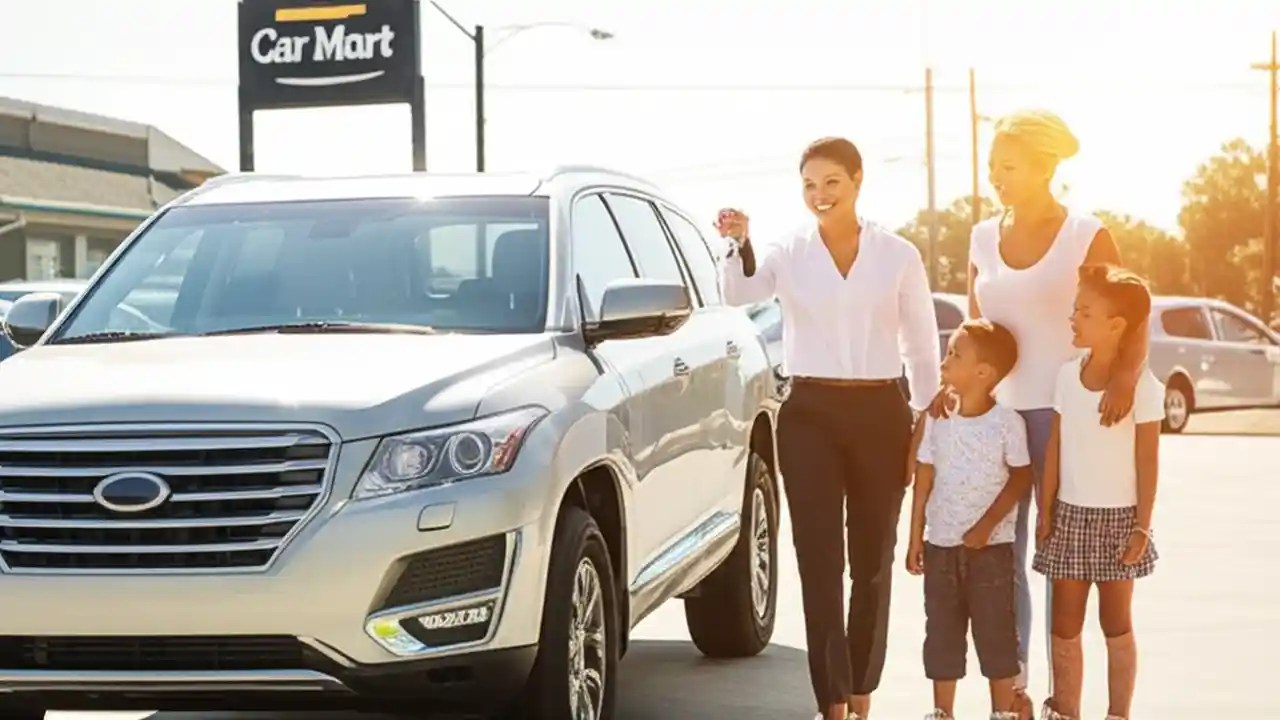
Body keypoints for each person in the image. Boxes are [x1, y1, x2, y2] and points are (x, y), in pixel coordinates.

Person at [716, 137, 941, 720]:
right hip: (809, 415)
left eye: (832, 183)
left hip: (880, 414)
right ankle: (832, 703)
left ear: (858, 181)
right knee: (819, 563)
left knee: (872, 563)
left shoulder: (898, 255)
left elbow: (921, 344)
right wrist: (737, 241)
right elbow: (739, 292)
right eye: (810, 185)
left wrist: (926, 420)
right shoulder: (788, 252)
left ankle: (862, 693)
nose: (820, 195)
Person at [927, 108, 1148, 694]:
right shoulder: (979, 236)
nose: (997, 176)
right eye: (992, 166)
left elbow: (1133, 310)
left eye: (1010, 166)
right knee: (1002, 556)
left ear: (1046, 168)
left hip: (1065, 415)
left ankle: (1061, 695)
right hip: (995, 417)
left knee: (1058, 559)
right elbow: (975, 327)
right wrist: (952, 390)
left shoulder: (1084, 234)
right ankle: (1015, 689)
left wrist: (1125, 377)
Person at [1033, 264, 1162, 720]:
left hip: (1120, 521)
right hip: (1069, 515)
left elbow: (1148, 461)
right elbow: (1055, 448)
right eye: (1074, 310)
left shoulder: (1143, 389)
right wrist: (1045, 510)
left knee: (1116, 623)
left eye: (1083, 312)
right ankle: (1066, 710)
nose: (1073, 318)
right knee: (1065, 624)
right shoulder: (1068, 377)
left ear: (1116, 325)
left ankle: (1117, 714)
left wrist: (1142, 526)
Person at [906, 319, 1034, 720]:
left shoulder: (1007, 423)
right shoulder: (938, 418)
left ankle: (1003, 712)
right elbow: (922, 477)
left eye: (955, 354)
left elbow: (1021, 477)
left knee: (996, 635)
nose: (946, 359)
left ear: (984, 373)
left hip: (990, 552)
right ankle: (942, 712)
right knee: (942, 635)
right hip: (940, 547)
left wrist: (985, 526)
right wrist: (914, 538)